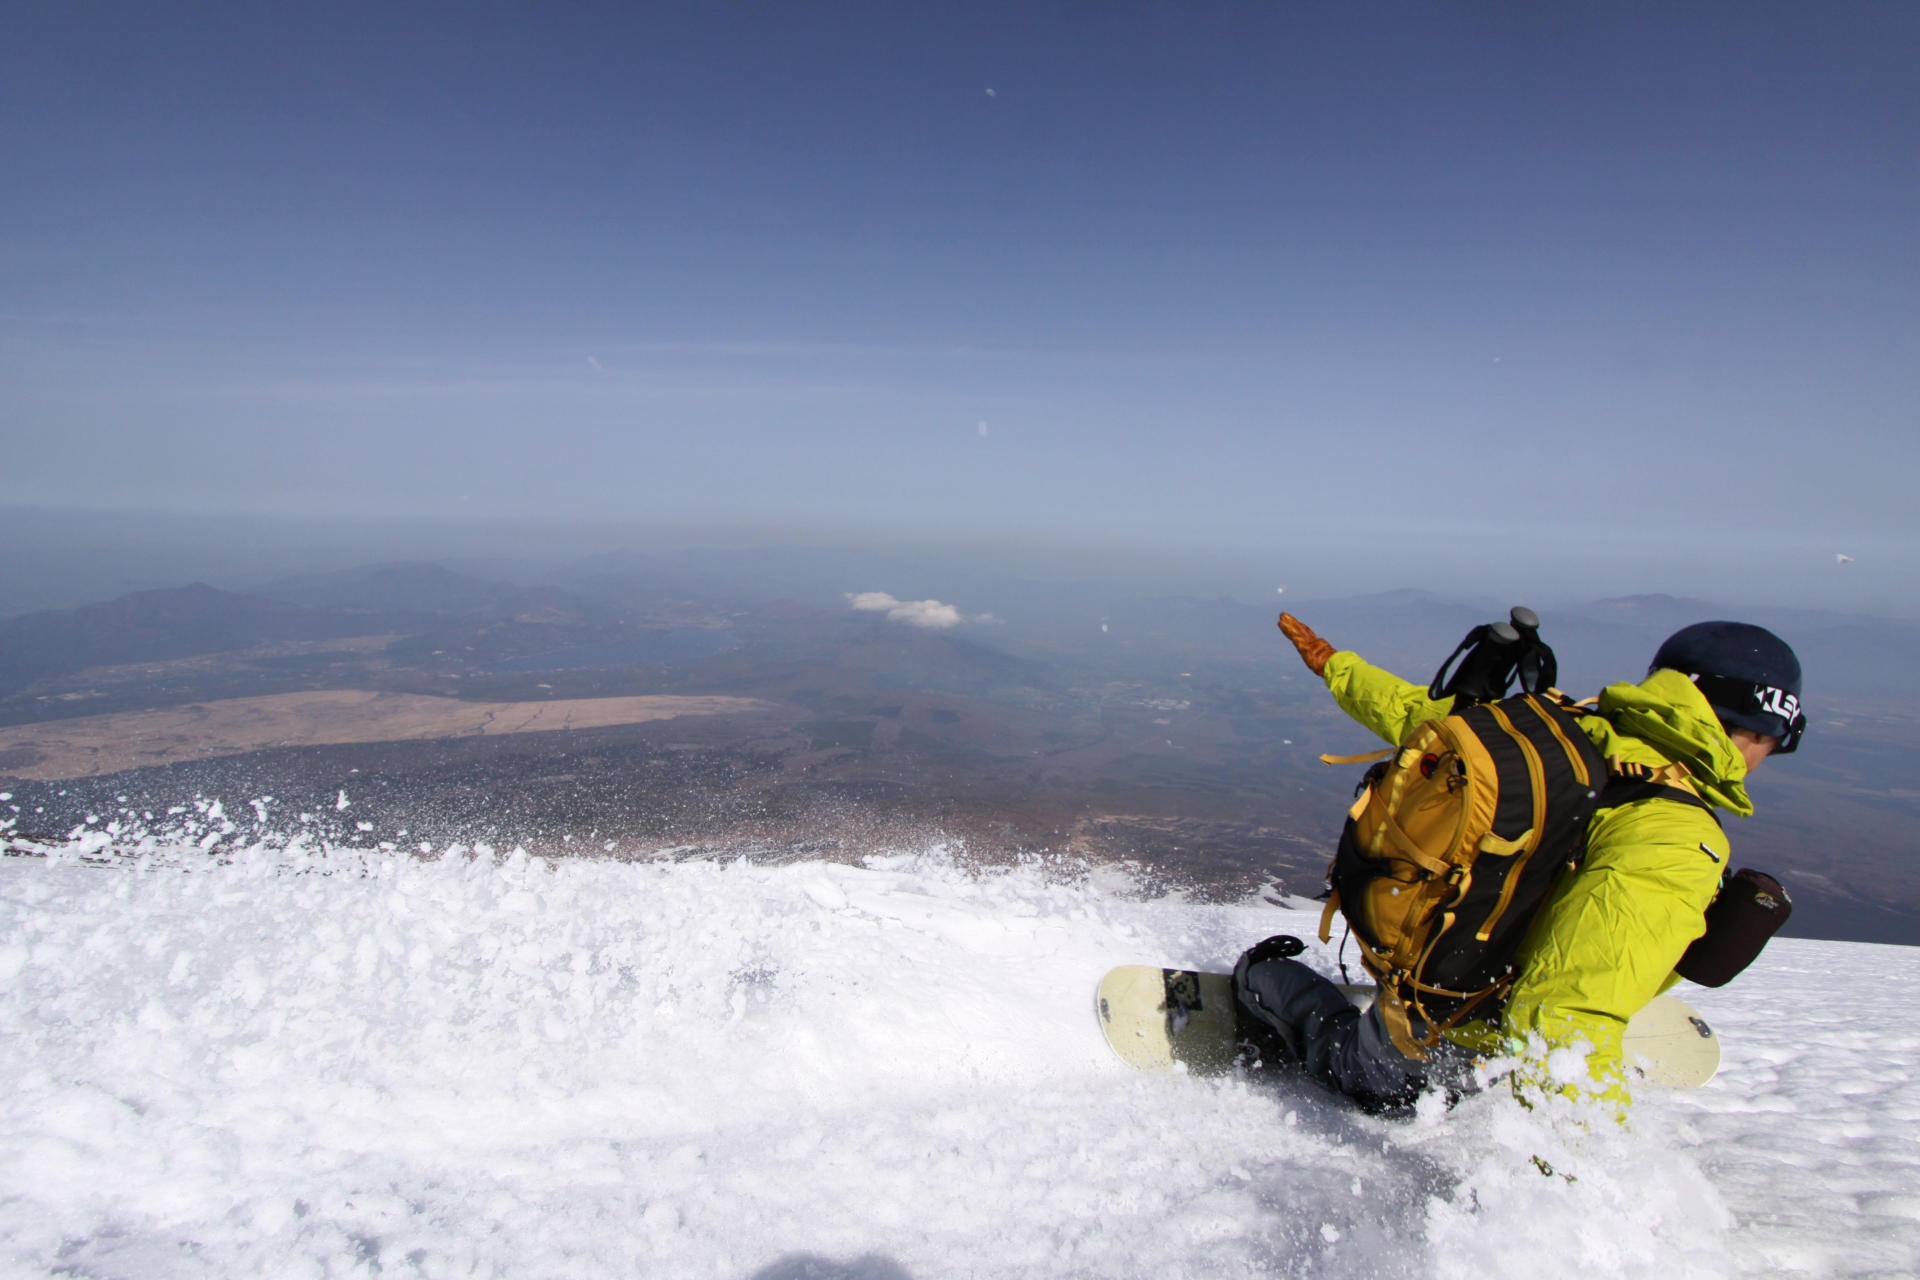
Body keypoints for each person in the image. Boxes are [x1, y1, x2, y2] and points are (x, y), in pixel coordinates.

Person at [1237, 613, 1806, 1113]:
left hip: (1445, 978)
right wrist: (1586, 1182)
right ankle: (1264, 978)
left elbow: (1420, 717)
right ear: (1763, 726)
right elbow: (1562, 1018)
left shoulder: (1556, 738)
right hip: (1450, 1048)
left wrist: (1335, 665)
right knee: (1366, 1081)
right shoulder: (1675, 837)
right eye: (1784, 739)